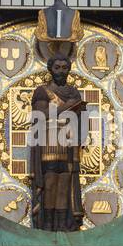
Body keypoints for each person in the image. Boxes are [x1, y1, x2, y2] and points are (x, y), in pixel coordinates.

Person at [28, 55, 86, 230]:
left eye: (64, 67)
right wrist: (66, 107)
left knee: (65, 183)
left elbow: (81, 117)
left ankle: (62, 225)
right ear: (50, 69)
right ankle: (47, 225)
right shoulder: (42, 91)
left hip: (68, 143)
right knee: (50, 182)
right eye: (57, 67)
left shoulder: (73, 92)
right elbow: (40, 115)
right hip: (49, 141)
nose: (61, 71)